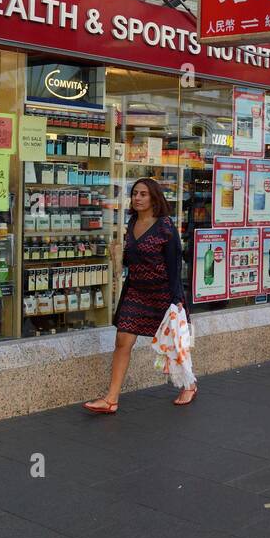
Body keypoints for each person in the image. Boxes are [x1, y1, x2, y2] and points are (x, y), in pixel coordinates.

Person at [85, 177, 195, 413]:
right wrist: (119, 256)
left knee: (173, 344)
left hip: (162, 292)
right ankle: (111, 399)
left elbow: (175, 264)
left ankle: (189, 384)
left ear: (154, 197)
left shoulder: (166, 227)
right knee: (122, 340)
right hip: (136, 290)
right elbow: (132, 258)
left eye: (143, 194)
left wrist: (176, 300)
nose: (137, 198)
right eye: (135, 193)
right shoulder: (132, 222)